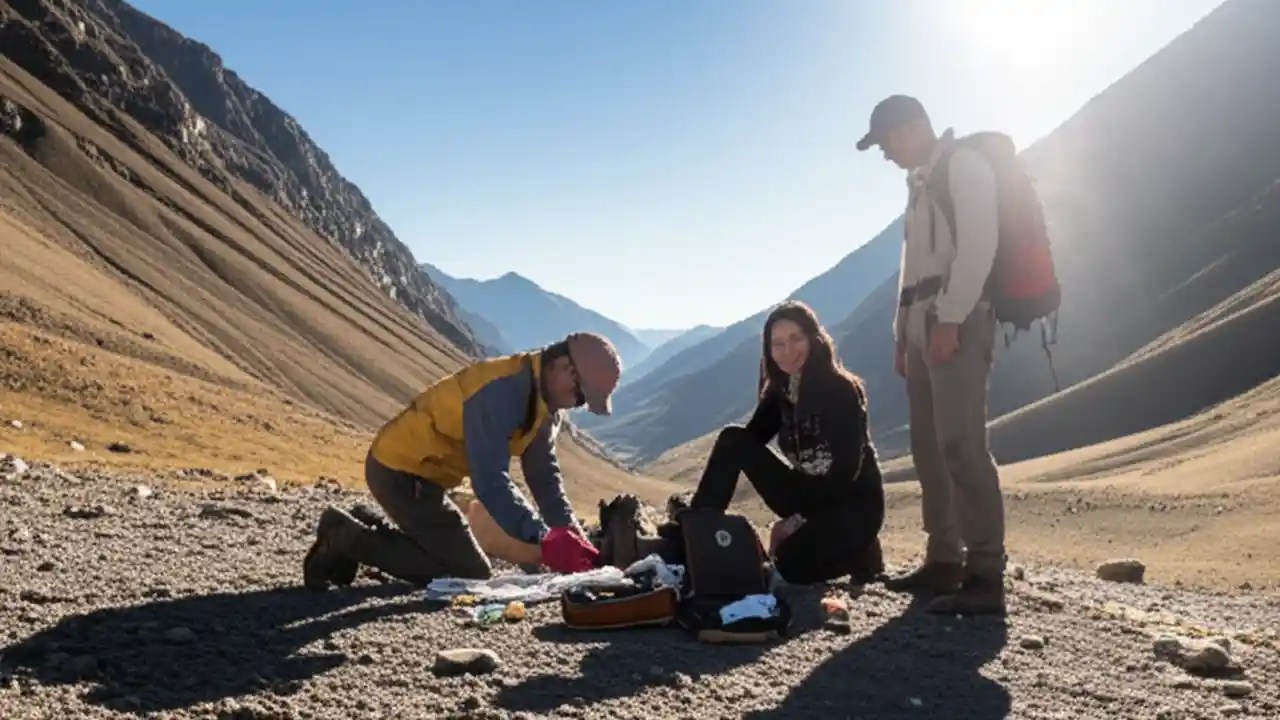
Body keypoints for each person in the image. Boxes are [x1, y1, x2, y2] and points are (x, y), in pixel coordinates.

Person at [302, 332, 622, 590]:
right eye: (580, 392)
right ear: (562, 365)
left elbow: (543, 477)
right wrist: (543, 537)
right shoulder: (503, 391)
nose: (577, 402)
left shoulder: (545, 403)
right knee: (466, 573)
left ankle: (363, 521)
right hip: (400, 472)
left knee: (460, 561)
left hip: (424, 481)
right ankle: (346, 537)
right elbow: (490, 481)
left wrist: (574, 538)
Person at [856, 94, 1007, 614]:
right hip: (921, 321)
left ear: (911, 128)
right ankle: (943, 558)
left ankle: (985, 573)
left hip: (954, 316)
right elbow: (909, 267)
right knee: (928, 446)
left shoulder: (964, 165)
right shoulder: (918, 183)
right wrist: (903, 335)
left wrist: (951, 319)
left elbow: (980, 246)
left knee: (962, 442)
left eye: (885, 142)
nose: (885, 155)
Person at [688, 300, 886, 586]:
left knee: (790, 564)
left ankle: (861, 553)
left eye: (796, 339)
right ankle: (697, 530)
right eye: (778, 344)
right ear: (769, 350)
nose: (788, 350)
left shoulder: (840, 389)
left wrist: (797, 520)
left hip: (852, 504)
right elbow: (749, 443)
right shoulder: (781, 390)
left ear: (814, 339)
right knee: (733, 439)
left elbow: (845, 473)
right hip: (808, 492)